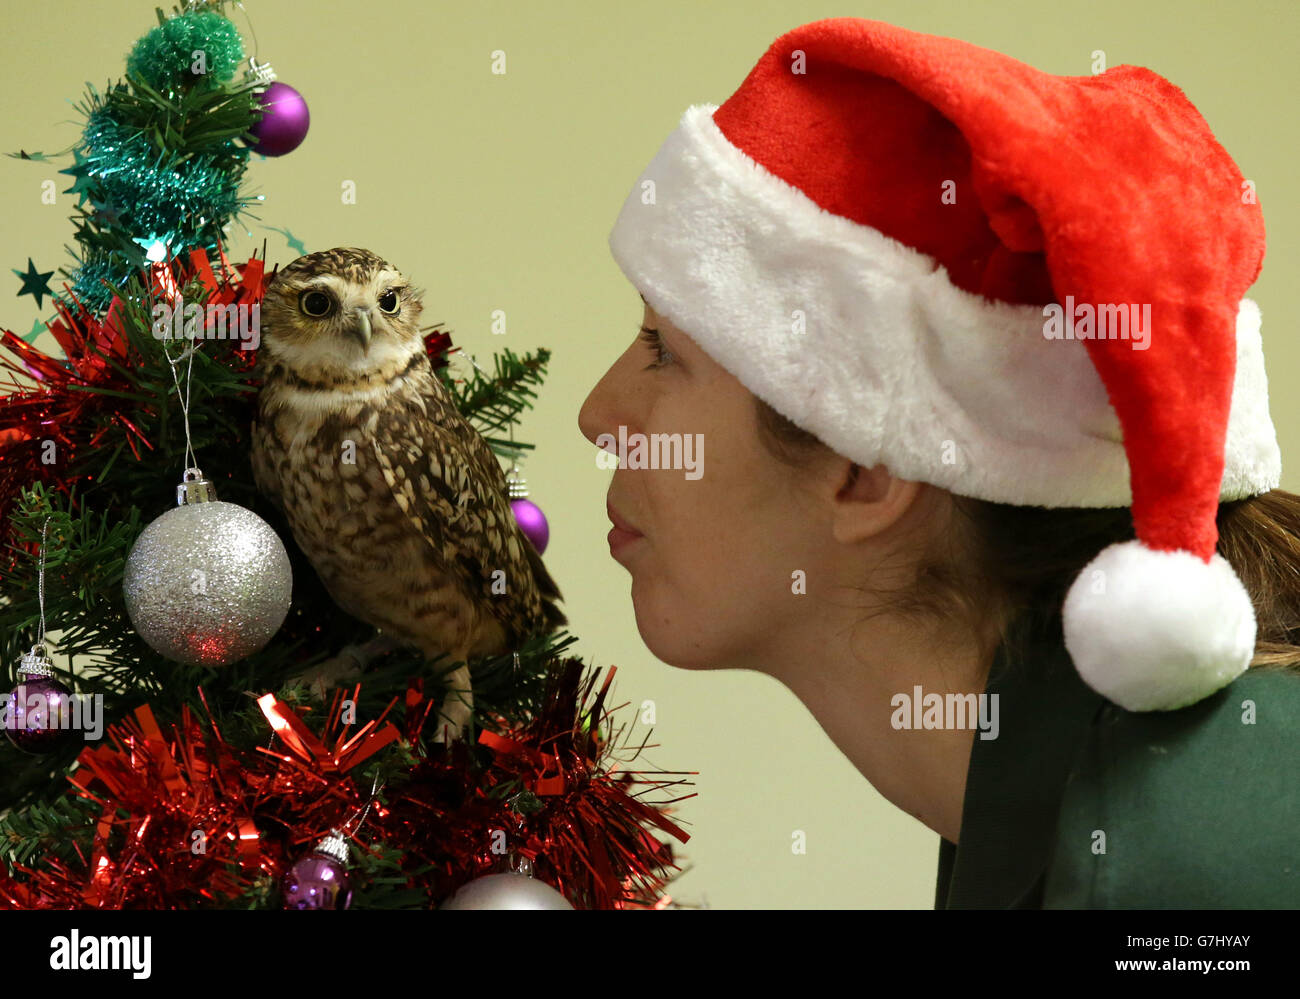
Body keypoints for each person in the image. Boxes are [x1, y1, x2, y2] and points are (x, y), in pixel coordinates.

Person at [578, 17, 1300, 908]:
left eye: (662, 351)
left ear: (864, 465)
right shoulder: (1046, 786)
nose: (598, 416)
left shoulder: (1177, 876)